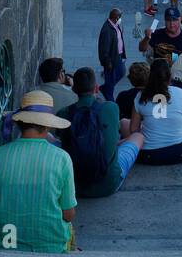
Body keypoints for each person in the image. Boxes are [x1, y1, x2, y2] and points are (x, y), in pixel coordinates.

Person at [0, 90, 76, 253]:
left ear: (19, 122)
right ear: (47, 124)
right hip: (48, 245)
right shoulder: (61, 158)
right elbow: (68, 214)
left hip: (3, 241)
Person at [57, 68, 144, 199]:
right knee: (138, 136)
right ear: (96, 88)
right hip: (108, 184)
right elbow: (113, 139)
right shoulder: (111, 108)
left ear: (74, 90)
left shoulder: (63, 113)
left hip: (75, 186)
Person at [130, 59, 182, 165]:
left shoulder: (140, 96)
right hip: (180, 153)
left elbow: (134, 130)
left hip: (148, 155)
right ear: (170, 77)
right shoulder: (181, 93)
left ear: (150, 76)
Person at [97, 9, 127, 101]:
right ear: (116, 17)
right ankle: (110, 99)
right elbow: (104, 48)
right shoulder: (107, 30)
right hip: (111, 59)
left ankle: (106, 87)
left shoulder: (115, 25)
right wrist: (107, 62)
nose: (121, 19)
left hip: (118, 54)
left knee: (121, 72)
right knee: (110, 78)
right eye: (120, 17)